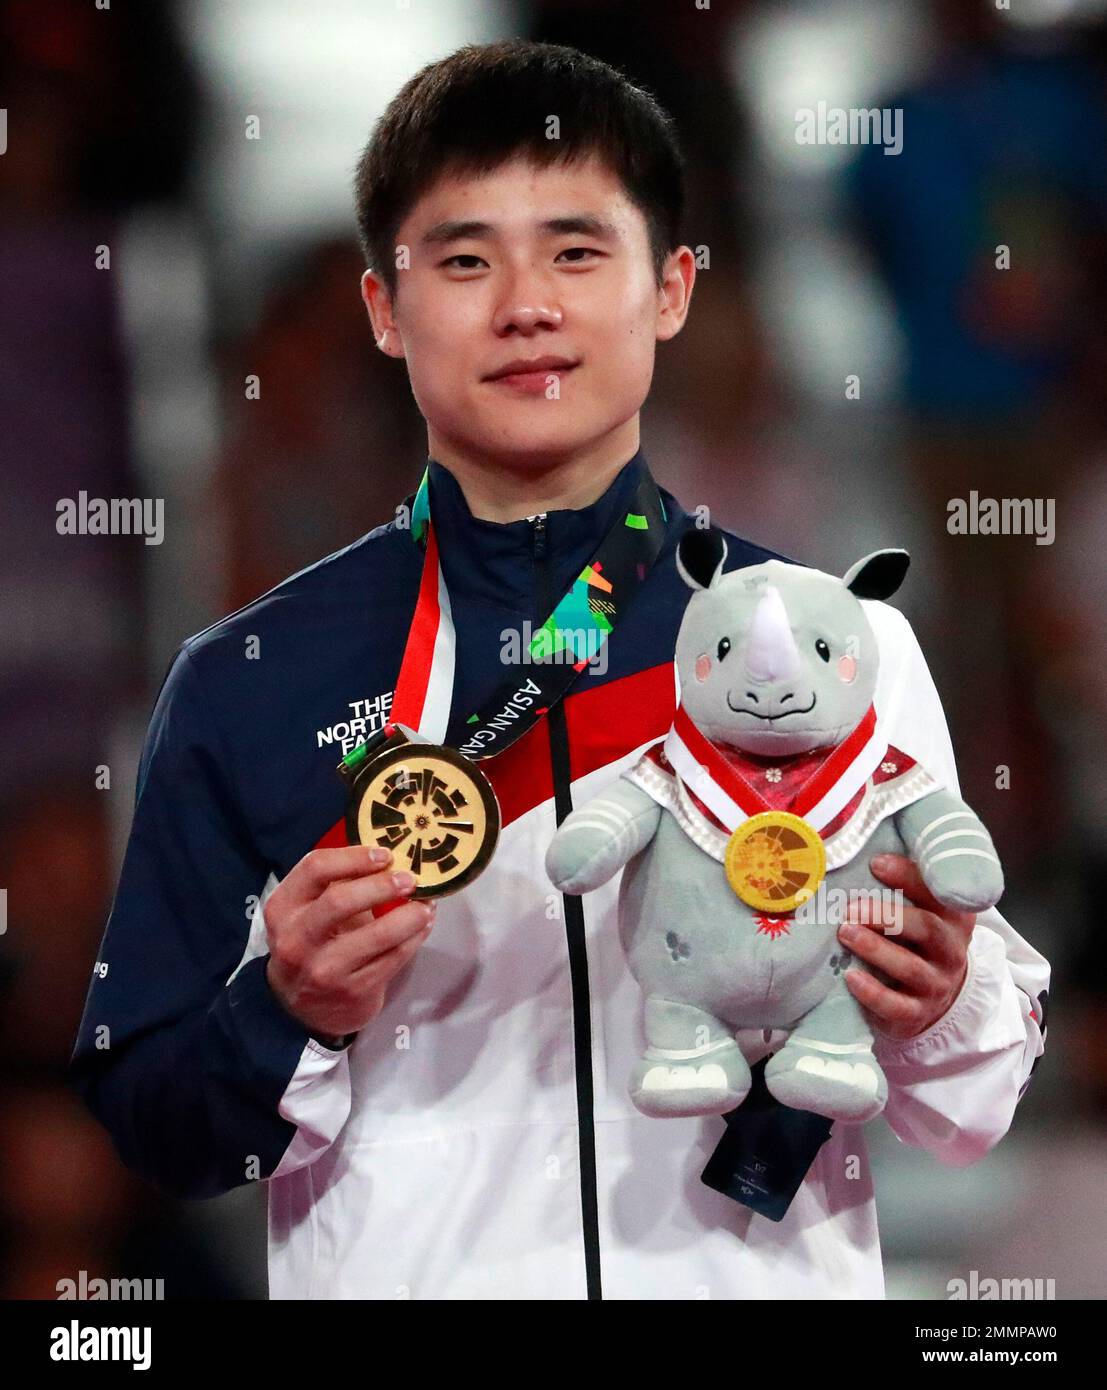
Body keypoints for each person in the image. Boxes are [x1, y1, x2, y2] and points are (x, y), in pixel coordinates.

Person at [69, 39, 1049, 1300]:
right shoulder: (251, 679)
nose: (526, 304)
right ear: (383, 307)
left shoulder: (832, 647)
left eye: (578, 252)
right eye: (465, 259)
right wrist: (285, 1007)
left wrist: (938, 1004)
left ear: (672, 289)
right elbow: (152, 1116)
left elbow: (969, 1108)